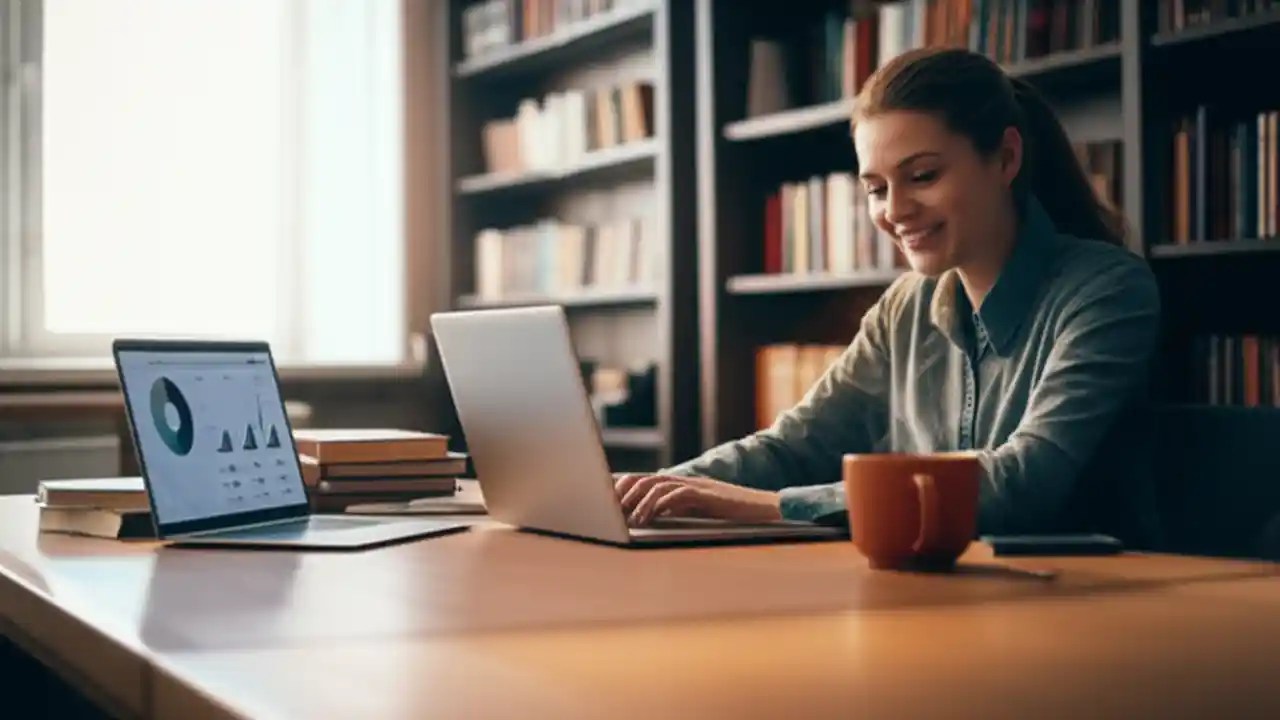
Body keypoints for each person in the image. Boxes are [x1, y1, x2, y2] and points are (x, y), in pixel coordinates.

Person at [615, 46, 1164, 547]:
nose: (894, 211)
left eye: (921, 175)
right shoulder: (905, 306)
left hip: (1080, 601)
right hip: (932, 594)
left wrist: (762, 507)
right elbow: (795, 444)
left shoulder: (1108, 289)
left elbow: (1022, 483)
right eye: (876, 189)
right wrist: (654, 489)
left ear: (1006, 159)